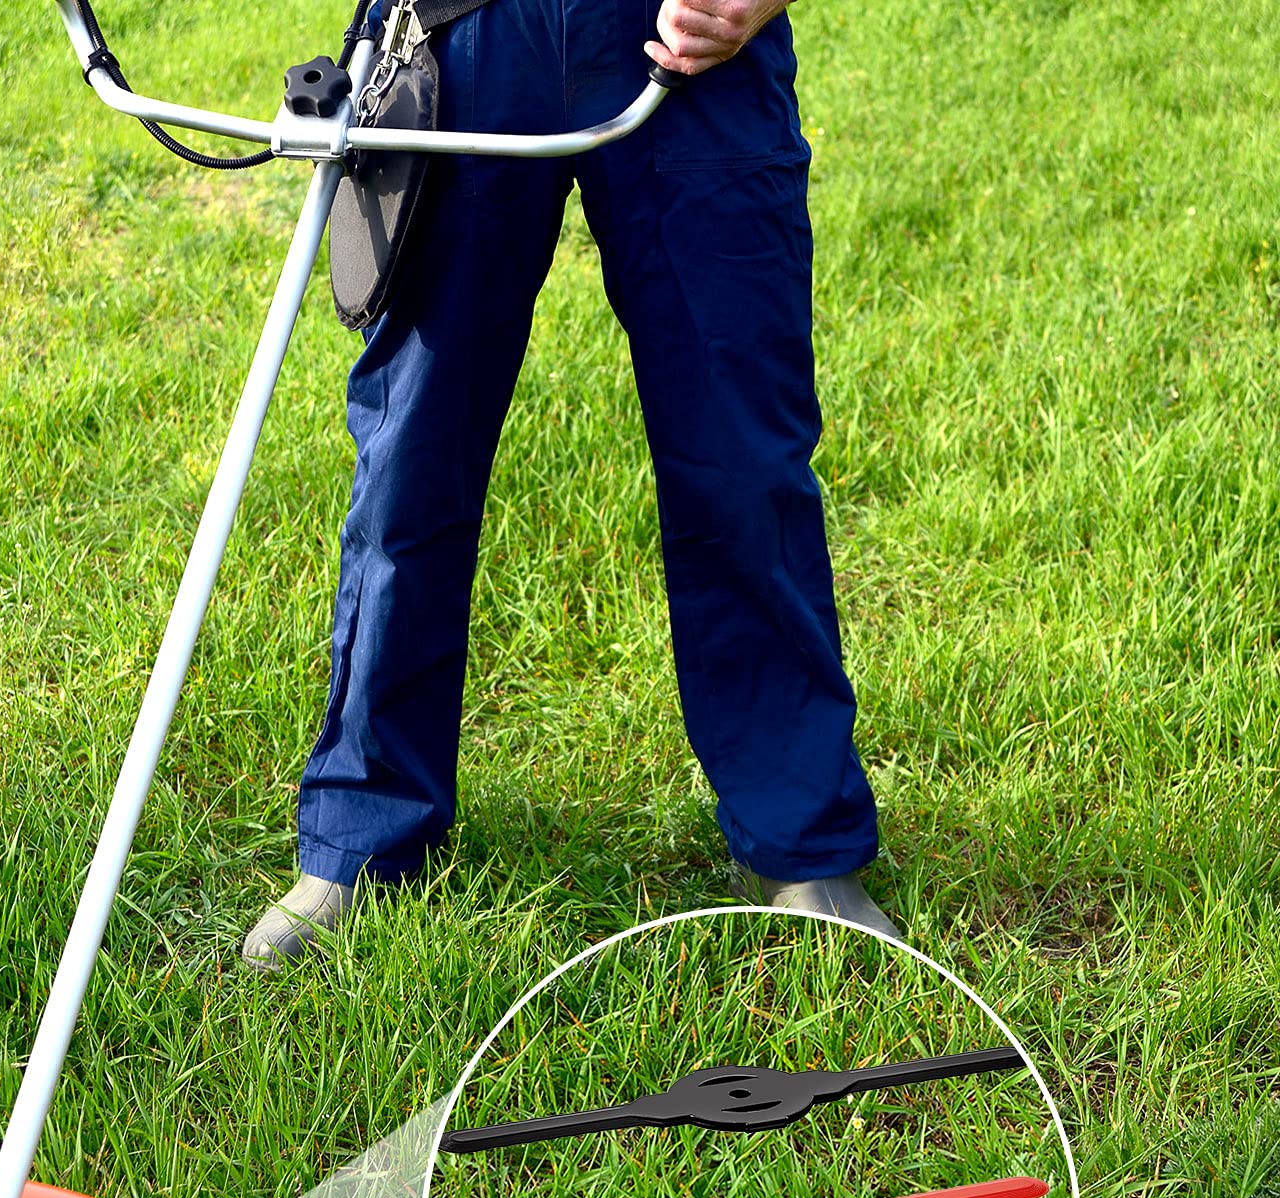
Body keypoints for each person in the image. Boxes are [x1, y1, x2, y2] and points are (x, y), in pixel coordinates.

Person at [245, 0, 897, 970]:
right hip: (461, 34)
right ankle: (363, 830)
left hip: (695, 43)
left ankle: (800, 836)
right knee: (411, 458)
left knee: (742, 461)